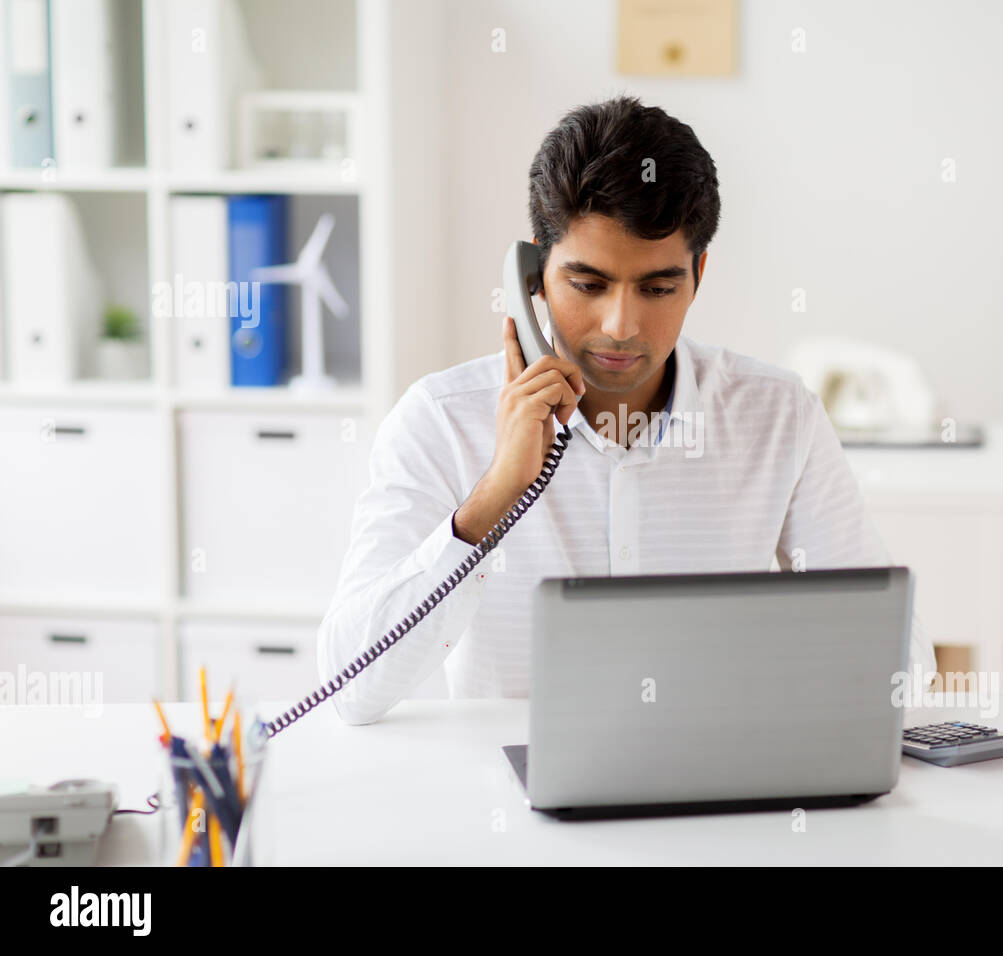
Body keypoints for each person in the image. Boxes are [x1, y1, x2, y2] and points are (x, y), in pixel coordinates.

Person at [318, 95, 935, 724]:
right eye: (587, 285)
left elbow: (901, 666)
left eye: (658, 288)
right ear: (532, 274)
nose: (620, 325)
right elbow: (349, 689)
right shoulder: (439, 419)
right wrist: (496, 494)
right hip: (511, 807)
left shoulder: (779, 416)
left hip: (719, 793)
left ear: (699, 273)